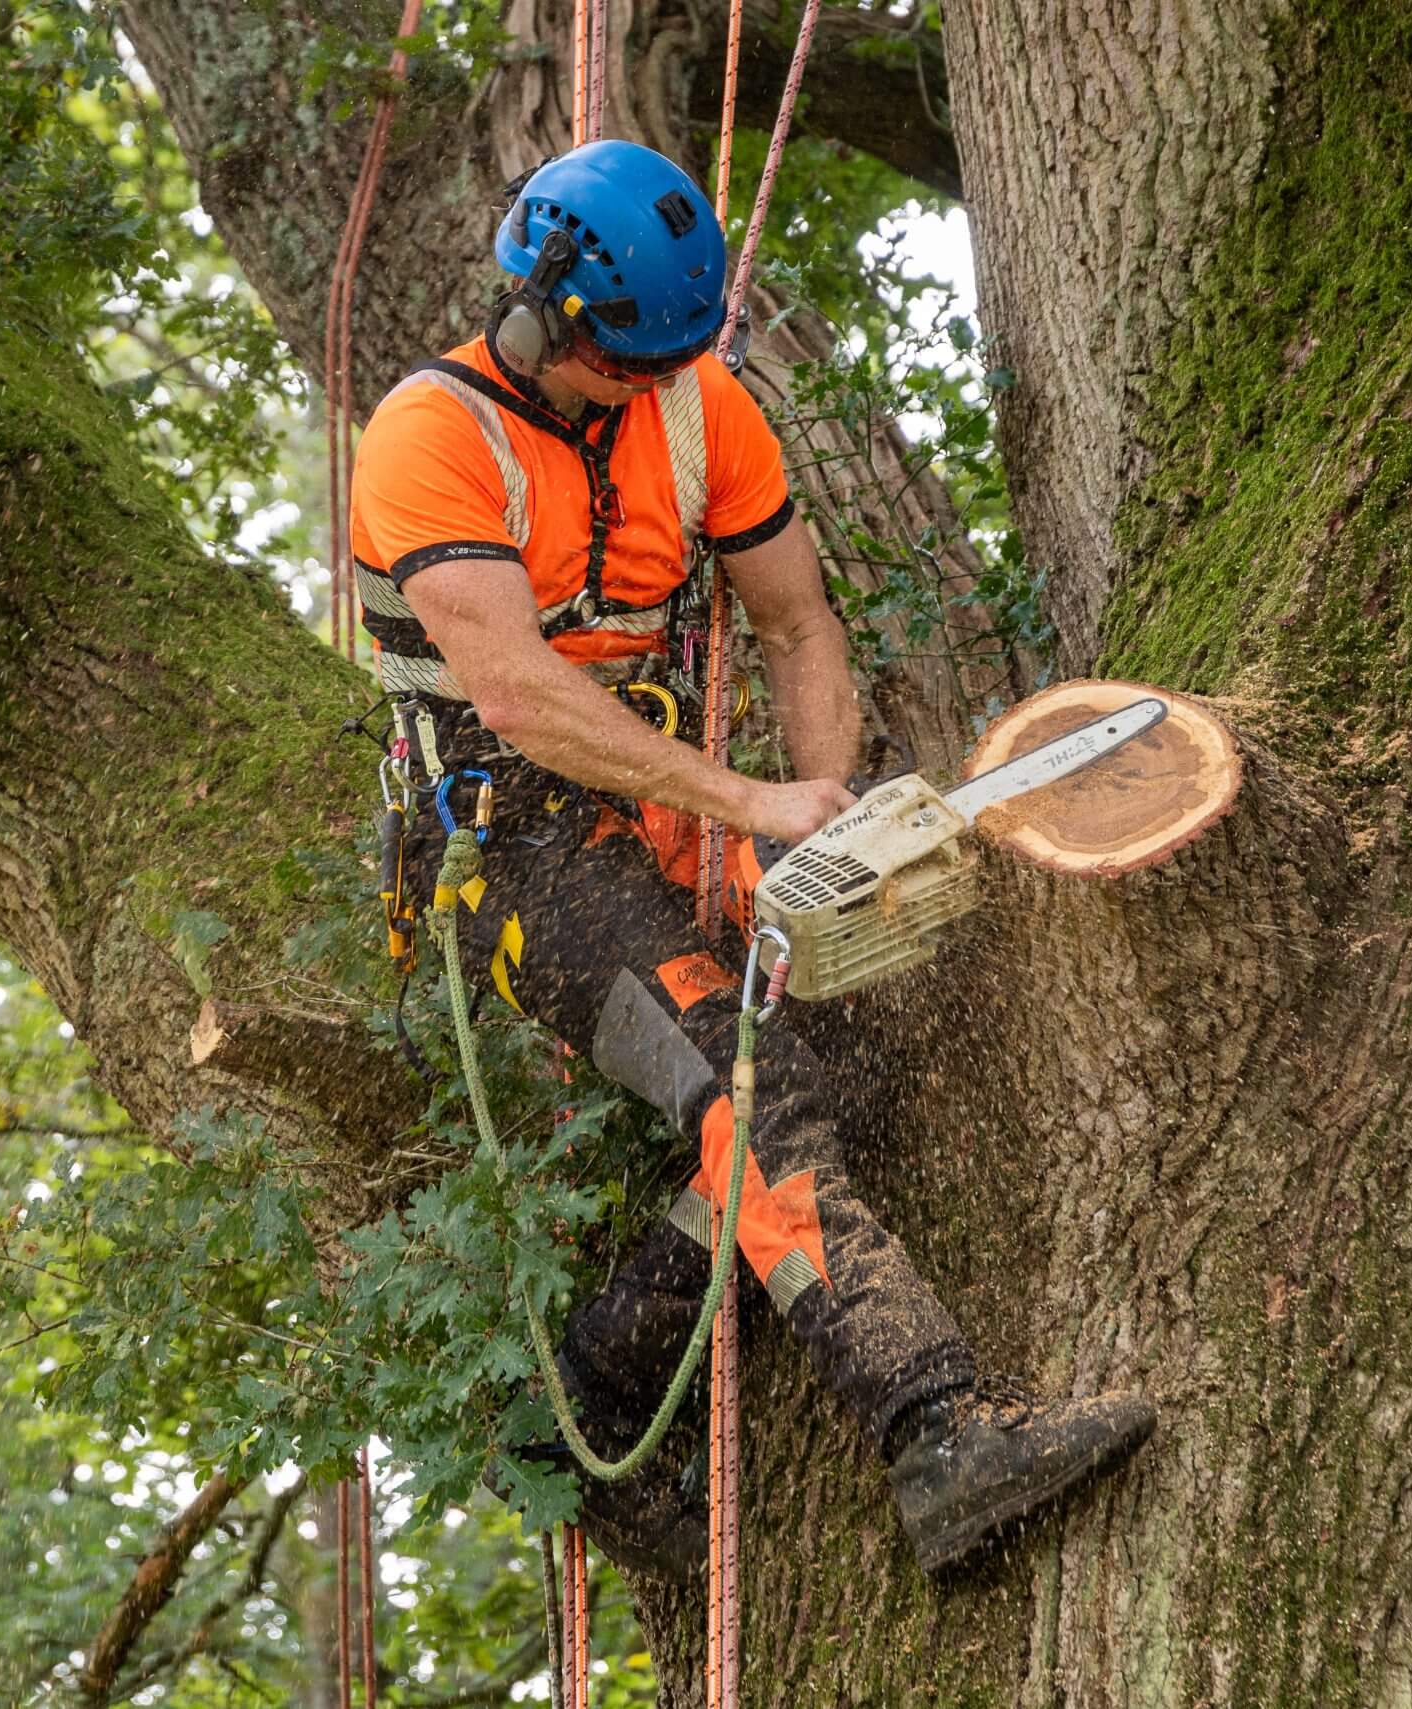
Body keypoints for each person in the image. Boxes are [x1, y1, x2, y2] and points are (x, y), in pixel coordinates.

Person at [348, 138, 1152, 1578]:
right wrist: (744, 802)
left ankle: (587, 1385)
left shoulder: (700, 403)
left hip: (655, 812)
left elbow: (797, 623)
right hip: (505, 849)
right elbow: (519, 694)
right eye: (625, 368)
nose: (651, 391)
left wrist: (819, 791)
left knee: (836, 1084)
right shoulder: (432, 438)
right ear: (539, 320)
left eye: (669, 366)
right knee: (752, 1090)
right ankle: (936, 1430)